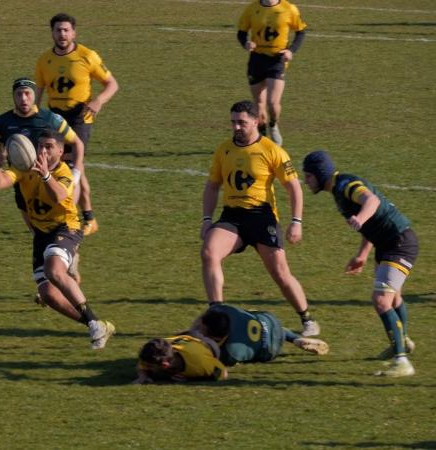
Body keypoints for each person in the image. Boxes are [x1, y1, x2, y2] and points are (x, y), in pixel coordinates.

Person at [200, 100, 319, 337]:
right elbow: (212, 186)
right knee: (209, 252)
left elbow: (294, 187)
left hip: (261, 218)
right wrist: (206, 219)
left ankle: (307, 319)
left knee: (280, 274)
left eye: (242, 122)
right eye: (233, 122)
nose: (236, 127)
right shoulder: (223, 149)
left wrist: (297, 222)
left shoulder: (271, 150)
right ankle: (217, 313)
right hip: (232, 217)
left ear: (256, 121)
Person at [0, 130, 114, 349]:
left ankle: (93, 321)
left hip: (65, 227)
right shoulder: (25, 168)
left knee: (54, 271)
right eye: (40, 146)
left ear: (60, 150)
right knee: (47, 294)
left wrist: (46, 175)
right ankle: (96, 325)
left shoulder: (63, 172)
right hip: (41, 235)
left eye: (48, 146)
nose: (43, 151)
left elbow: (60, 196)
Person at [303, 150, 418, 377]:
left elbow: (371, 201)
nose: (306, 181)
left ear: (319, 173)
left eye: (308, 176)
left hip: (399, 243)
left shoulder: (346, 185)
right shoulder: (338, 190)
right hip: (386, 244)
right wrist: (362, 254)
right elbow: (370, 224)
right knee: (393, 299)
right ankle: (401, 343)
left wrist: (360, 218)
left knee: (381, 300)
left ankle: (402, 361)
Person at [35, 13, 118, 236]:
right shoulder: (44, 60)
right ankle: (85, 217)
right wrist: (34, 118)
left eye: (66, 30)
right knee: (61, 168)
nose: (62, 34)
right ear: (51, 33)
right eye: (57, 30)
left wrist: (99, 100)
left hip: (80, 118)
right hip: (54, 118)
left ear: (74, 32)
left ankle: (78, 218)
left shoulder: (87, 56)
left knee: (73, 169)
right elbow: (38, 93)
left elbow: (112, 84)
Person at [0, 77, 85, 234]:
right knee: (36, 231)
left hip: (52, 177)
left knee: (64, 222)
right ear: (13, 96)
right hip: (22, 178)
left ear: (35, 95)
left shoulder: (50, 119)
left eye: (27, 93)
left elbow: (77, 143)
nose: (23, 98)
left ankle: (68, 245)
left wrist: (76, 174)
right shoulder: (3, 122)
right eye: (19, 94)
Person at [237, 0, 307, 145]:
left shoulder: (289, 8)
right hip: (257, 60)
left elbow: (300, 31)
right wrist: (246, 43)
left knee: (272, 103)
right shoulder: (252, 8)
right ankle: (262, 136)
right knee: (259, 103)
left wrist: (291, 50)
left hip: (277, 59)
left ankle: (273, 124)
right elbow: (241, 32)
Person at [192, 304, 329, 366]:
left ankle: (290, 337)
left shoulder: (228, 354)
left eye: (200, 327)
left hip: (270, 351)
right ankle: (294, 338)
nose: (196, 326)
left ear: (216, 338)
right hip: (269, 320)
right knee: (251, 318)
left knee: (253, 349)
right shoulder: (224, 310)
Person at [133, 335, 228, 384]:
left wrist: (191, 379)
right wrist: (142, 376)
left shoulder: (200, 366)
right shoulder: (162, 349)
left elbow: (222, 372)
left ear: (165, 365)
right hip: (184, 337)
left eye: (149, 366)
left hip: (208, 344)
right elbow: (141, 365)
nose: (145, 366)